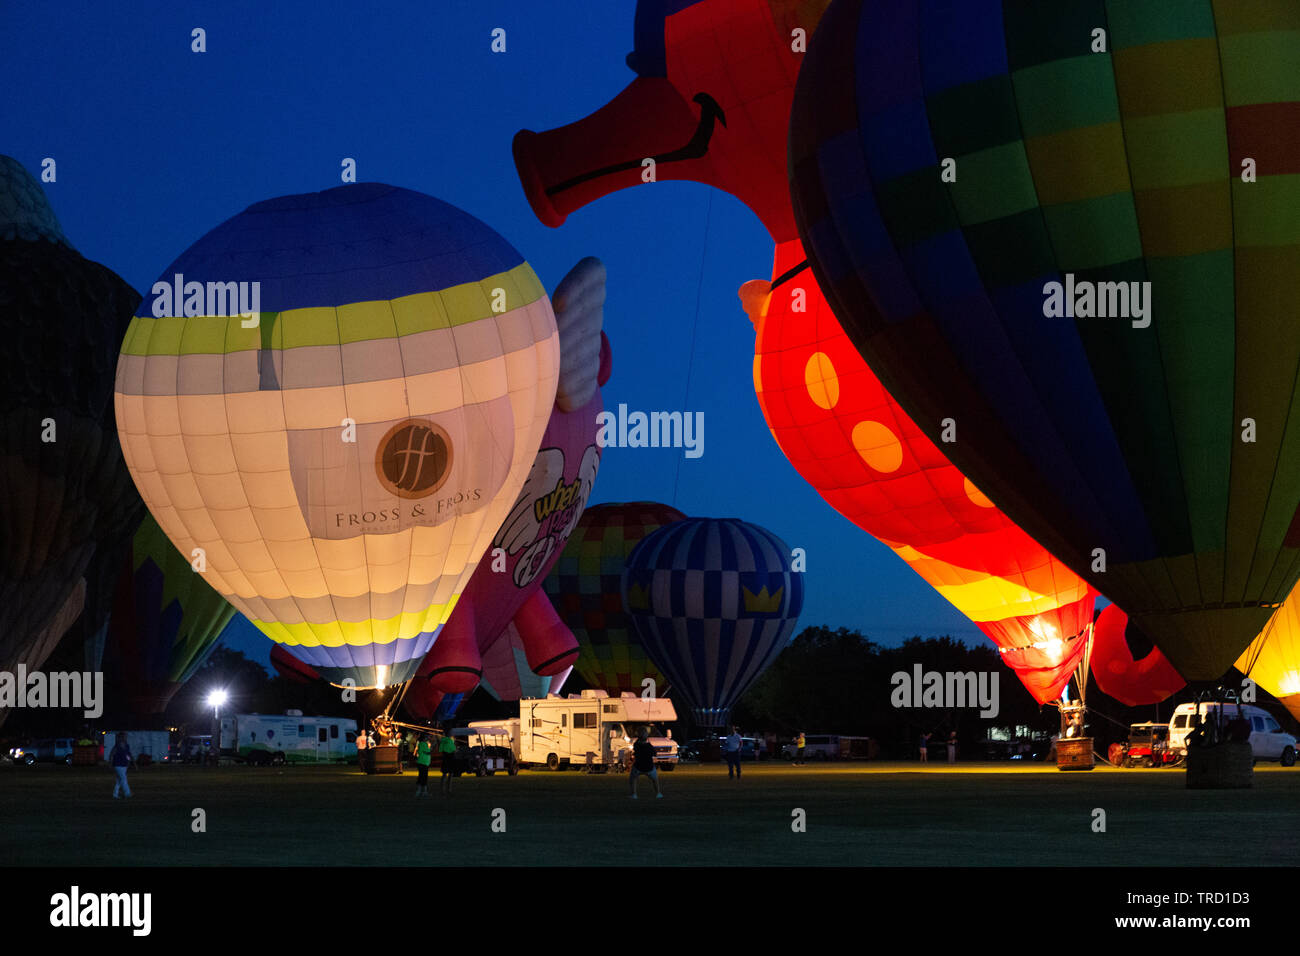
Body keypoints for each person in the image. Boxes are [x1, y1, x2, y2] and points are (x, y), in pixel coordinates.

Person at [629, 727, 663, 799]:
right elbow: (655, 754)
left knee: (633, 778)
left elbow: (636, 744)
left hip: (638, 767)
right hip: (649, 767)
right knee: (655, 780)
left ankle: (634, 794)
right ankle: (658, 793)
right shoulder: (649, 746)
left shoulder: (636, 745)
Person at [109, 732, 133, 799]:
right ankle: (127, 793)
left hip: (124, 765)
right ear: (121, 737)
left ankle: (115, 795)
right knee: (124, 779)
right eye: (125, 736)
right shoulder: (117, 746)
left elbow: (127, 755)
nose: (126, 738)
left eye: (126, 736)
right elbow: (111, 754)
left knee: (119, 781)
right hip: (118, 765)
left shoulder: (127, 745)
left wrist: (129, 761)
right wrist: (110, 763)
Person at [438, 728, 457, 795]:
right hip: (447, 757)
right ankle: (442, 790)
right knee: (445, 774)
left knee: (450, 774)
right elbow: (442, 749)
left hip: (451, 757)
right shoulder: (444, 740)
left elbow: (453, 748)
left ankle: (449, 790)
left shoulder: (451, 740)